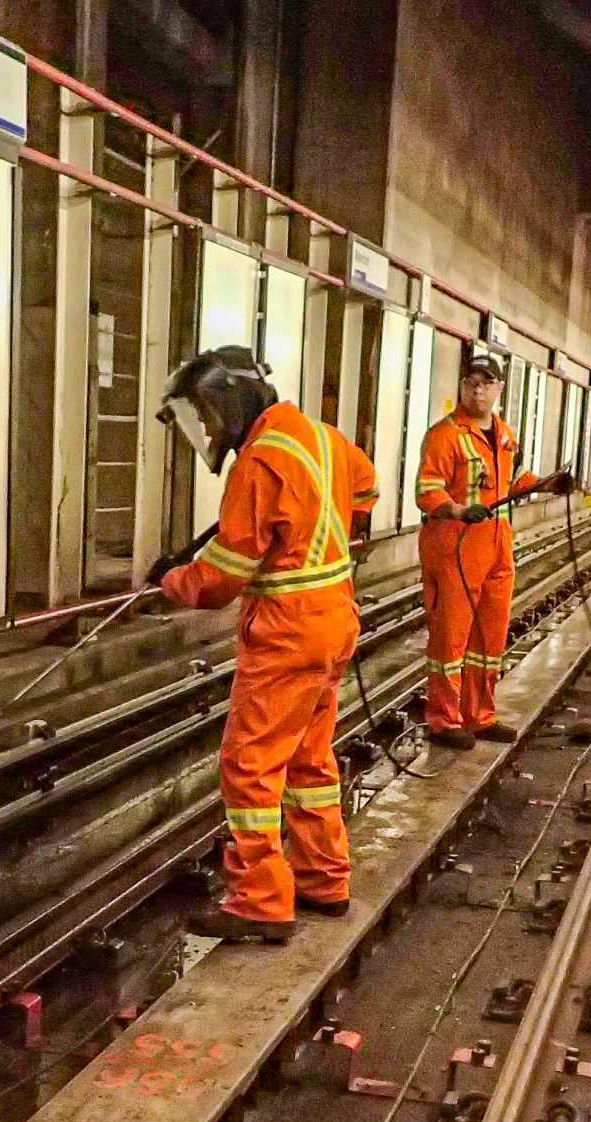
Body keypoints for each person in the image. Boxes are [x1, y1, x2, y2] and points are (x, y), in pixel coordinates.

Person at [152, 346, 377, 945]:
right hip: (335, 618)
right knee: (310, 759)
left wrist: (172, 580)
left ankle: (260, 900)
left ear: (229, 398)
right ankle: (323, 880)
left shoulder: (260, 461)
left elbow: (222, 577)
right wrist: (320, 537)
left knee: (250, 766)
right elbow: (365, 486)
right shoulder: (322, 438)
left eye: (206, 413)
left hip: (287, 629)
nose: (208, 427)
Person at [412, 353, 575, 750]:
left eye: (486, 383)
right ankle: (444, 720)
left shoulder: (503, 434)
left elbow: (510, 480)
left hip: (497, 546)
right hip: (455, 548)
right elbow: (426, 490)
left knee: (489, 637)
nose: (478, 390)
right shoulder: (445, 435)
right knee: (450, 640)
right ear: (463, 387)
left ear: (500, 389)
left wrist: (547, 484)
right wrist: (457, 510)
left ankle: (480, 716)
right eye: (471, 382)